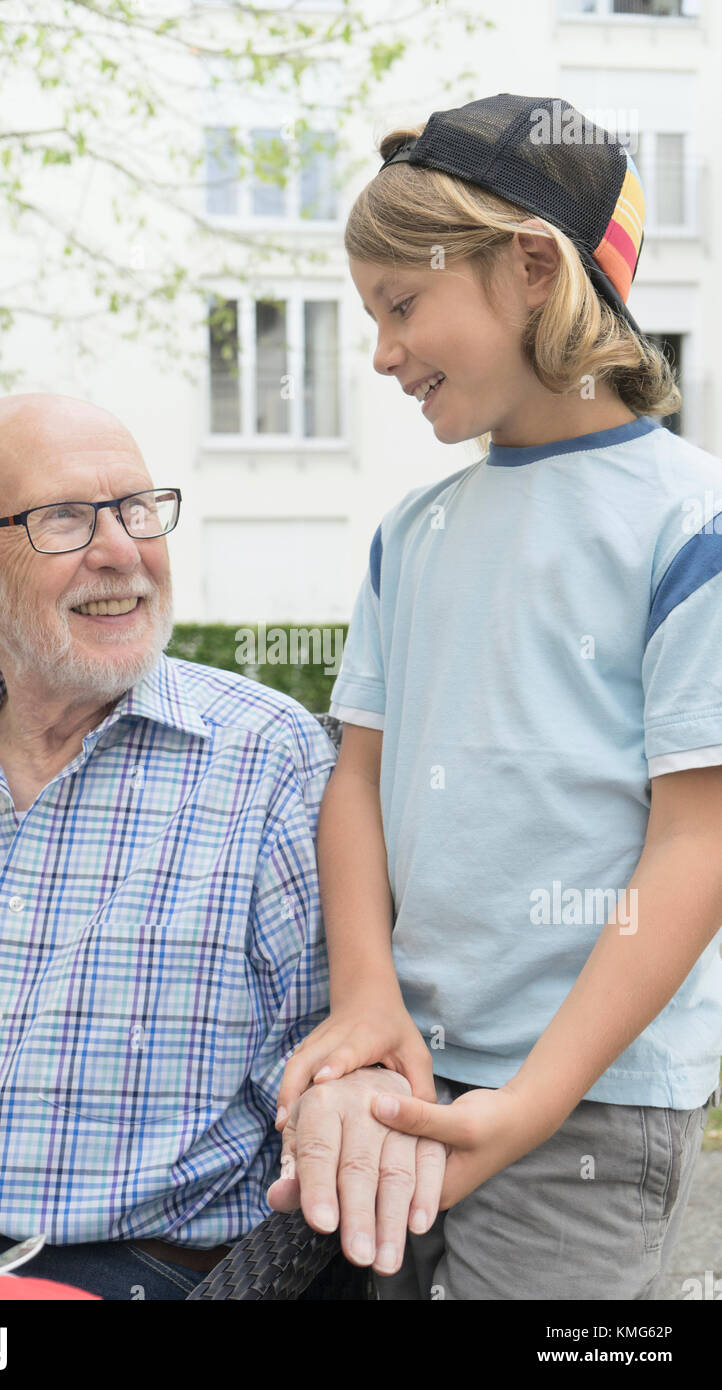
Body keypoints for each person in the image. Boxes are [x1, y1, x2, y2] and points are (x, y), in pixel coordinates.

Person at [274, 94, 722, 1300]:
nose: (379, 354)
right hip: (407, 1076)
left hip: (583, 1103)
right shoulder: (407, 535)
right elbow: (354, 781)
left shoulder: (689, 523)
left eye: (401, 305)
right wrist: (367, 997)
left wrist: (529, 1102)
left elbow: (697, 841)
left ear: (530, 267)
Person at [0, 393, 443, 1299]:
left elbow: (340, 1050)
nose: (121, 550)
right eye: (63, 519)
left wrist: (349, 1095)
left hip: (139, 1273)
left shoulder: (267, 758)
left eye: (136, 508)